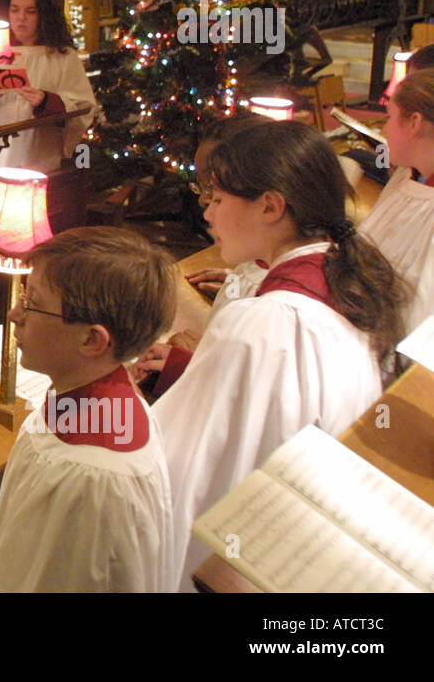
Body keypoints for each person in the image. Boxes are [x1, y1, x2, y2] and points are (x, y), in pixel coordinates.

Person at [153, 119, 408, 591]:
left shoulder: (264, 323)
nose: (207, 215)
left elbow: (171, 476)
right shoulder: (349, 279)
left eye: (218, 200)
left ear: (270, 206)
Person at [0, 226, 176, 592]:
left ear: (91, 339)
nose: (16, 314)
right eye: (22, 293)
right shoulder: (97, 394)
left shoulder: (87, 476)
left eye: (32, 303)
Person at [133, 112, 266, 395]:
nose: (204, 203)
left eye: (213, 190)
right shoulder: (260, 263)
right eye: (202, 187)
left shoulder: (273, 308)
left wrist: (194, 363)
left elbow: (244, 397)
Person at [0, 0, 98, 173]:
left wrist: (47, 102)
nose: (20, 18)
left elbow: (85, 108)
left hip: (41, 155)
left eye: (30, 11)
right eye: (14, 10)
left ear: (44, 15)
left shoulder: (62, 57)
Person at [361, 68, 434, 337]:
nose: (383, 129)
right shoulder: (408, 175)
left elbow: (419, 321)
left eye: (389, 117)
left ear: (414, 123)